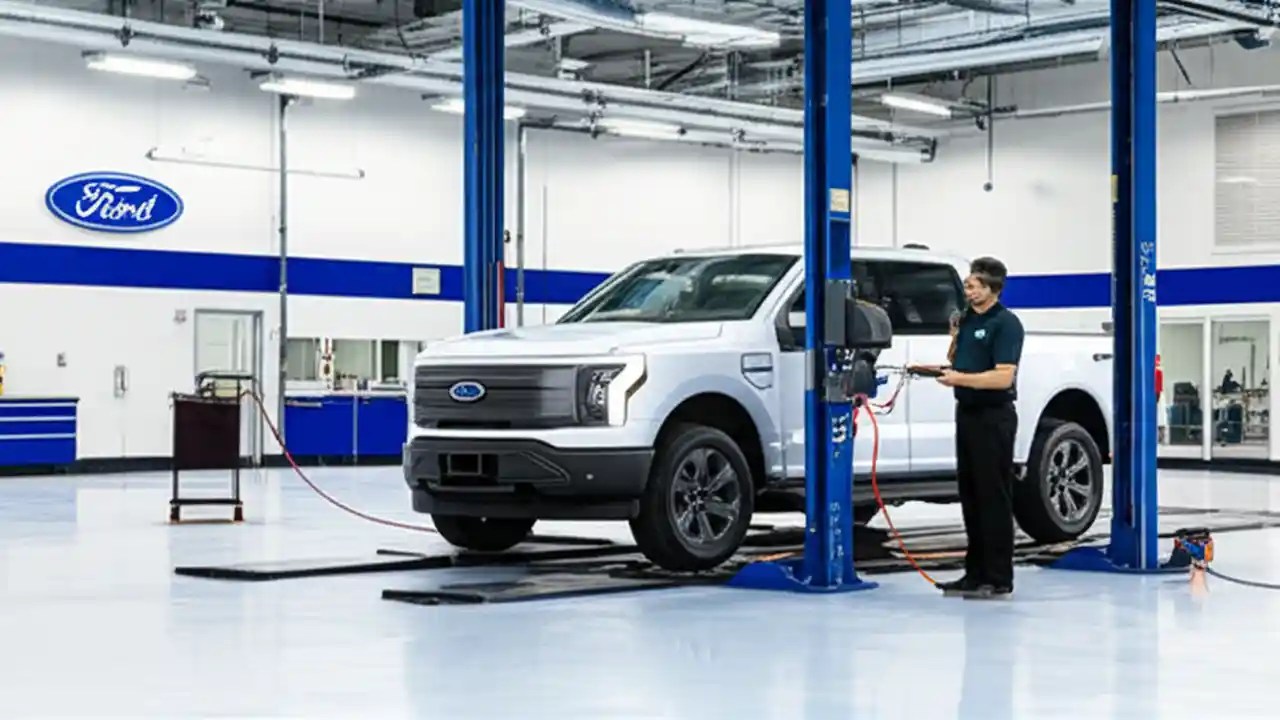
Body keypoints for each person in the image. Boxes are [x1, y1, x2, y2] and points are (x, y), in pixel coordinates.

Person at [912, 257, 1024, 599]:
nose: (968, 290)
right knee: (971, 495)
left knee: (993, 495)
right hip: (968, 414)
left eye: (974, 285)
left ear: (991, 289)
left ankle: (998, 576)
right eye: (968, 285)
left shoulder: (1006, 324)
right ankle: (974, 573)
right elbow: (960, 362)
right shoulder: (967, 320)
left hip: (994, 416)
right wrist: (933, 368)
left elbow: (1004, 375)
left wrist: (959, 379)